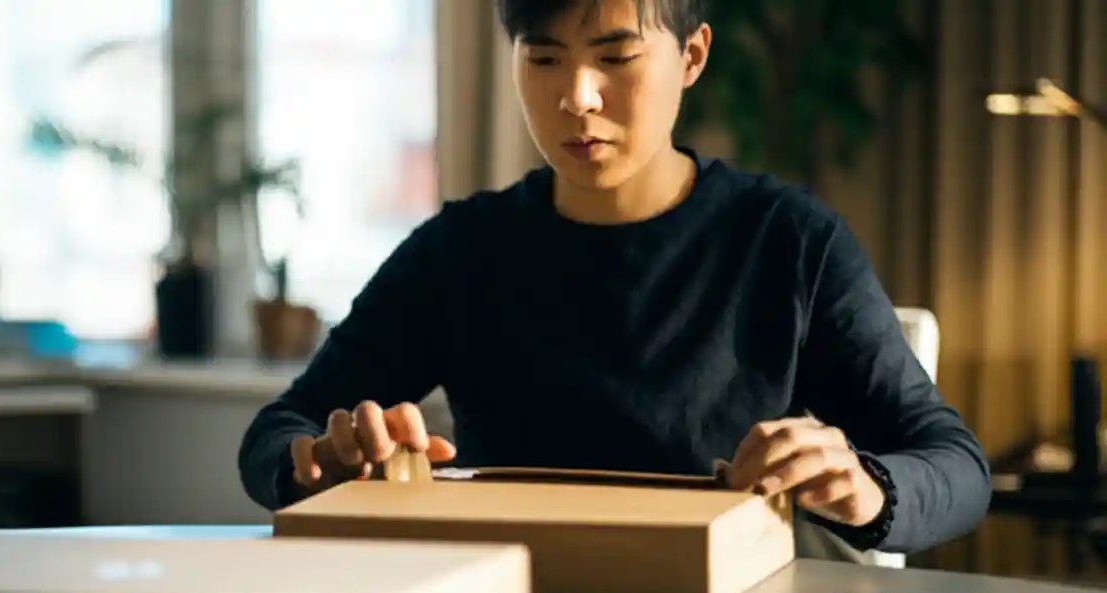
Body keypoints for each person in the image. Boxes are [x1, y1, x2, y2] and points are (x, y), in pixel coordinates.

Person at [238, 0, 991, 557]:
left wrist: (863, 485)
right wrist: (319, 462)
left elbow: (956, 465)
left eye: (616, 58)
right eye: (543, 59)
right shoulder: (462, 250)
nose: (578, 97)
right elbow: (279, 431)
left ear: (692, 56)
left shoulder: (787, 242)